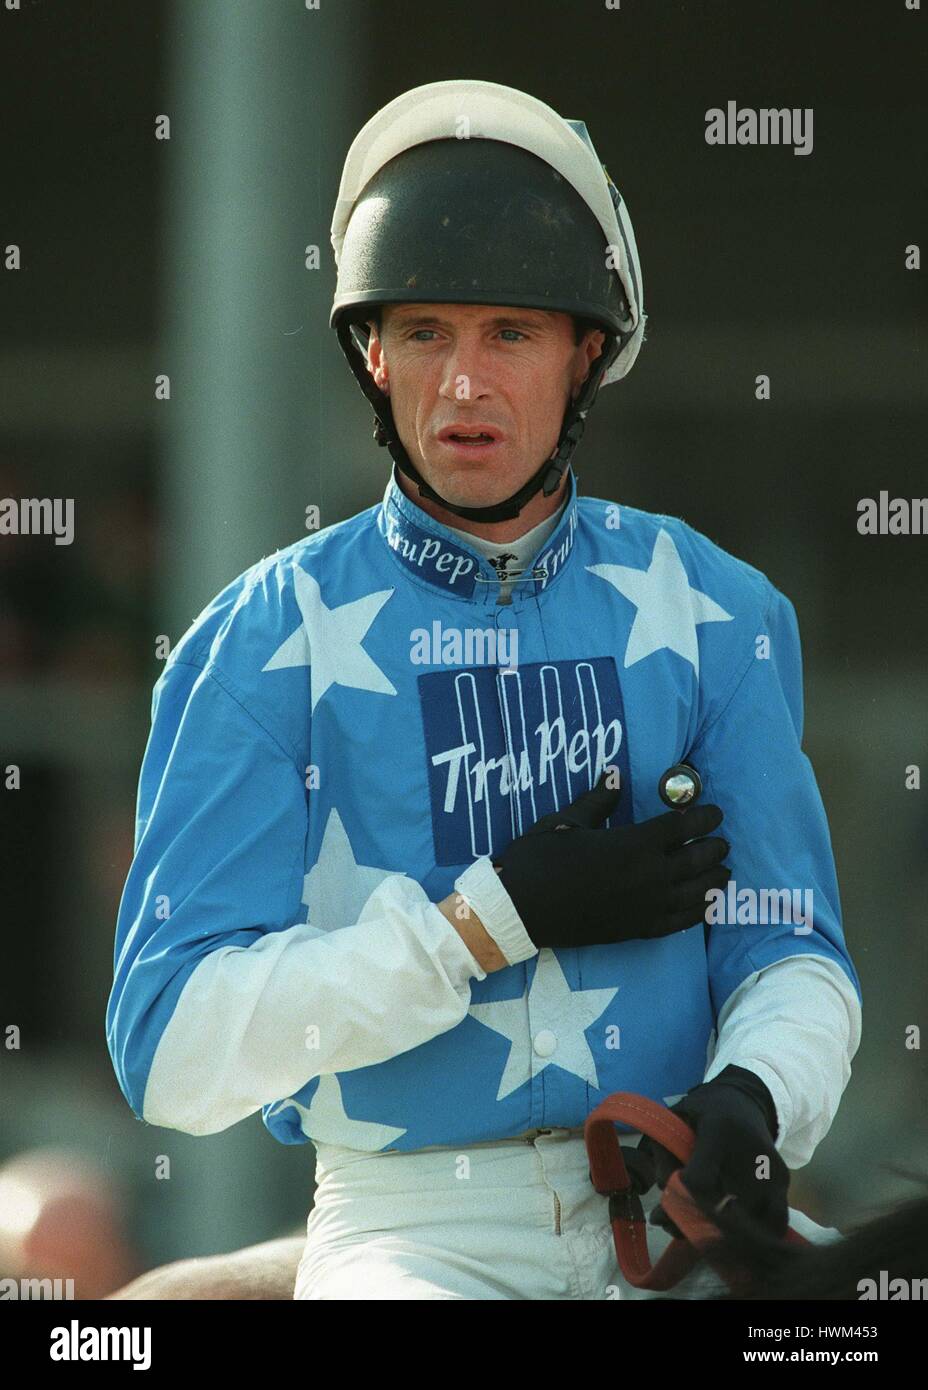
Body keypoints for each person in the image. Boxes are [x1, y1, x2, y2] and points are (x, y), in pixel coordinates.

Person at [106, 79, 862, 1300]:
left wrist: (755, 1091)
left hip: (679, 1208)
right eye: (424, 334)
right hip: (410, 1236)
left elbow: (795, 955)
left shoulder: (719, 608)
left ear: (586, 354)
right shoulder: (253, 640)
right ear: (370, 354)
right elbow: (174, 1052)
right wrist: (484, 921)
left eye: (509, 333)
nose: (463, 384)